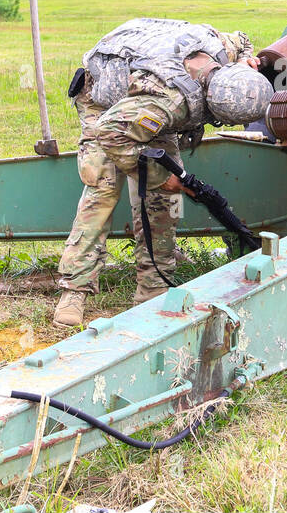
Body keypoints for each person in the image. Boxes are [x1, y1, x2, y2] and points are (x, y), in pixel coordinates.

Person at [54, 18, 273, 327]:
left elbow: (244, 39)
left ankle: (153, 285)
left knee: (163, 202)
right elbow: (110, 133)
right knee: (103, 187)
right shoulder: (169, 101)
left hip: (143, 92)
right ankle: (75, 288)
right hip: (104, 103)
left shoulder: (224, 50)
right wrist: (157, 176)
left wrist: (248, 62)